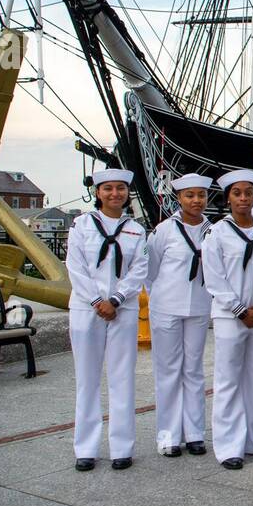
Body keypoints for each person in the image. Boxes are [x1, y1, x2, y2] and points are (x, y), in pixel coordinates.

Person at [66, 168, 148, 471]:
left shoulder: (136, 231)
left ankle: (121, 447)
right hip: (87, 309)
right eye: (108, 189)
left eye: (121, 189)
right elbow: (75, 266)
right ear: (98, 193)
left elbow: (138, 270)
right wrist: (97, 300)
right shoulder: (81, 225)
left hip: (122, 310)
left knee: (122, 379)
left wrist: (115, 299)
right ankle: (85, 448)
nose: (115, 194)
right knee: (87, 381)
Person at [204, 169, 253, 469]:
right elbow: (214, 277)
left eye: (249, 192)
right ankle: (228, 445)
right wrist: (238, 309)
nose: (244, 198)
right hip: (229, 316)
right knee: (228, 379)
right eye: (237, 193)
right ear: (228, 199)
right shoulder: (217, 233)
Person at [146, 172, 213, 457]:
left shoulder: (214, 230)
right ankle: (169, 434)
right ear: (179, 199)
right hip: (166, 307)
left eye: (200, 195)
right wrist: (161, 299)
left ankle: (195, 432)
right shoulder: (164, 231)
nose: (196, 201)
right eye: (190, 195)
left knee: (193, 370)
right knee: (169, 370)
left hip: (199, 306)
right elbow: (151, 271)